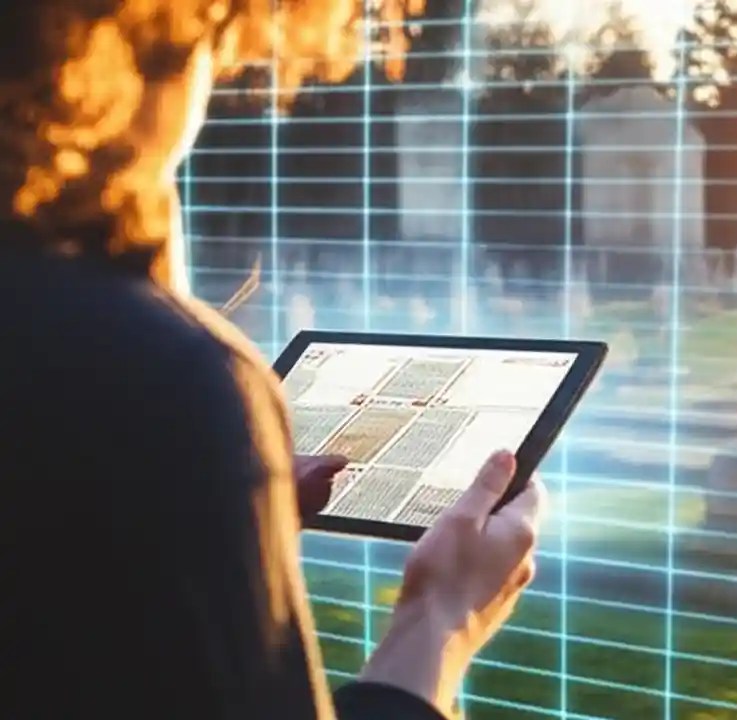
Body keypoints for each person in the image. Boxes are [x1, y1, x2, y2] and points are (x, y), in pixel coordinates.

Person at [0, 3, 542, 719]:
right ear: (143, 50)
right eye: (212, 56)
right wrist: (435, 624)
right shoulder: (157, 375)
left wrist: (202, 509)